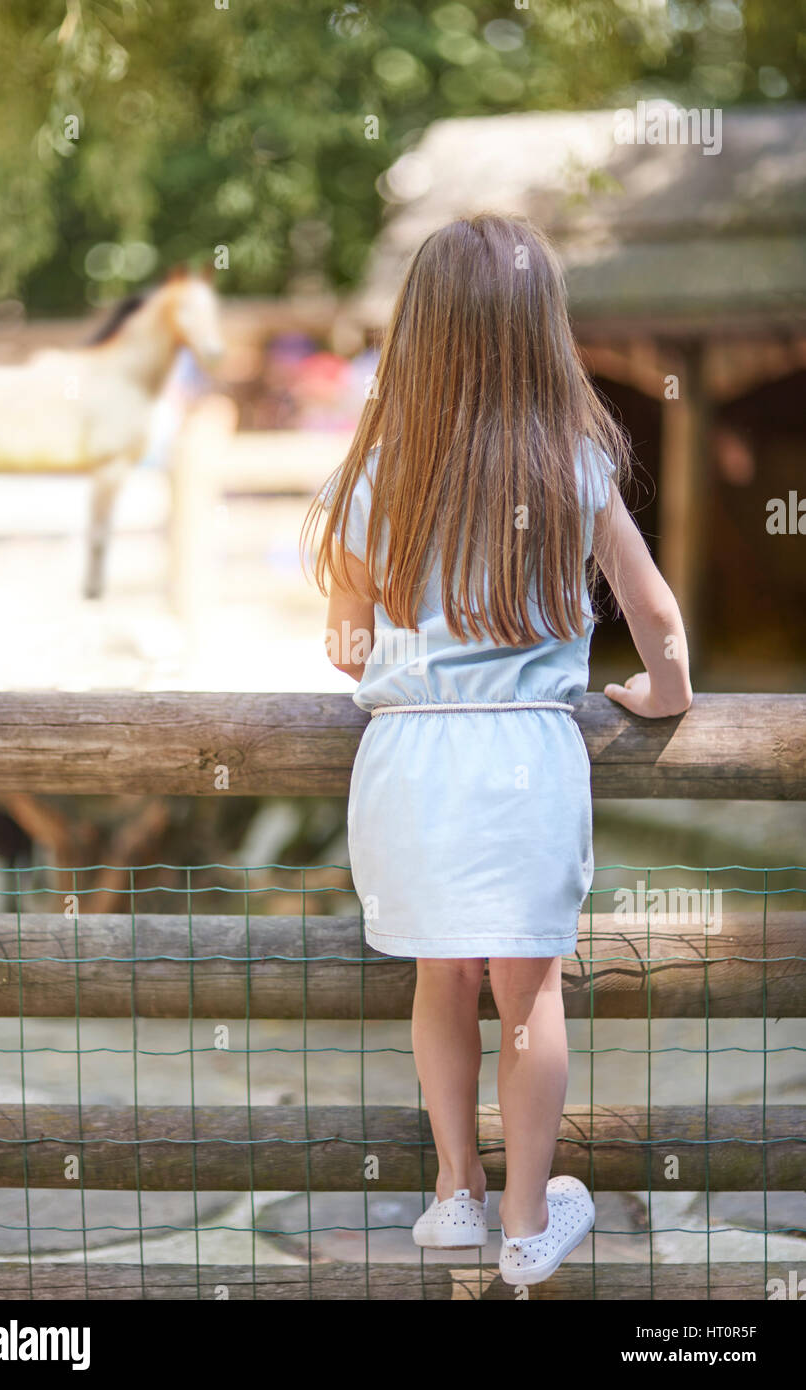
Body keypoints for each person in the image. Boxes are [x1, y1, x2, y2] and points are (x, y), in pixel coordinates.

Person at [303, 213, 692, 1288]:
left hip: (413, 760)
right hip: (526, 758)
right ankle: (529, 1221)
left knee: (443, 976)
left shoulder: (376, 472)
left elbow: (345, 648)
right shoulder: (575, 458)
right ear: (539, 331)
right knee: (530, 992)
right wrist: (665, 691)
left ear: (419, 330)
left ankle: (452, 1194)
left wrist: (407, 649)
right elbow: (655, 615)